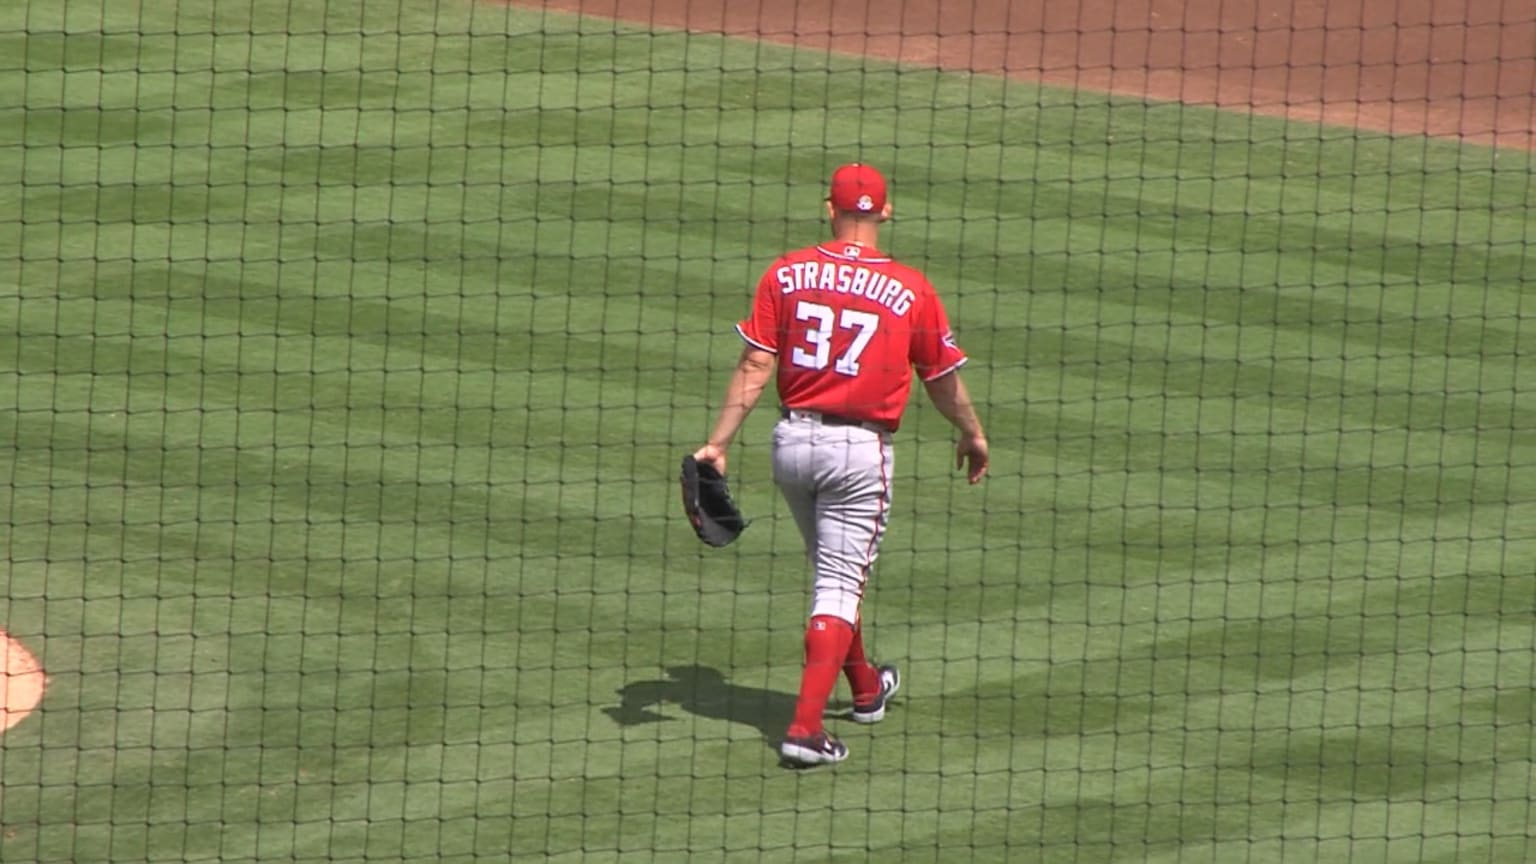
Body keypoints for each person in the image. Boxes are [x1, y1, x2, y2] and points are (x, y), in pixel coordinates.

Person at [691, 163, 990, 766]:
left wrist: (717, 444)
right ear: (887, 212)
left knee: (832, 572)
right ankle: (804, 731)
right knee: (838, 584)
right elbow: (940, 379)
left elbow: (755, 364)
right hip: (858, 453)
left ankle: (866, 688)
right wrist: (973, 433)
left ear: (829, 208)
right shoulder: (911, 287)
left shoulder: (786, 271)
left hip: (791, 445)